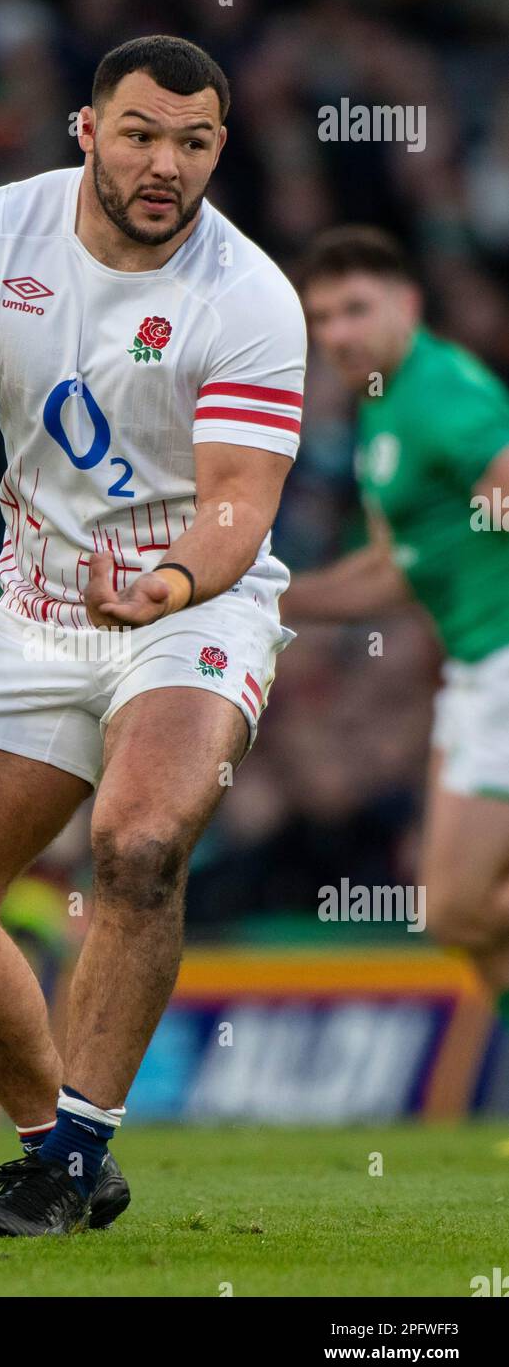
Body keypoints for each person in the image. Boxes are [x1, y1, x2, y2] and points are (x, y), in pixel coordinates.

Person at [0, 34, 306, 1236]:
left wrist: (172, 579)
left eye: (193, 144)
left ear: (218, 151)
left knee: (139, 845)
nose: (164, 165)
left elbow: (241, 501)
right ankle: (63, 1153)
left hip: (192, 607)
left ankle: (77, 1154)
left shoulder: (248, 296)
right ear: (87, 131)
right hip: (35, 609)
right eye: (139, 133)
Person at [289, 224, 509, 1033]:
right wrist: (262, 596)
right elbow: (389, 572)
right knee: (458, 917)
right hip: (474, 670)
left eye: (354, 309)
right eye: (321, 318)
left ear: (407, 305)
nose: (337, 333)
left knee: (456, 905)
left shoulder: (440, 397)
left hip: (502, 661)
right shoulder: (382, 414)